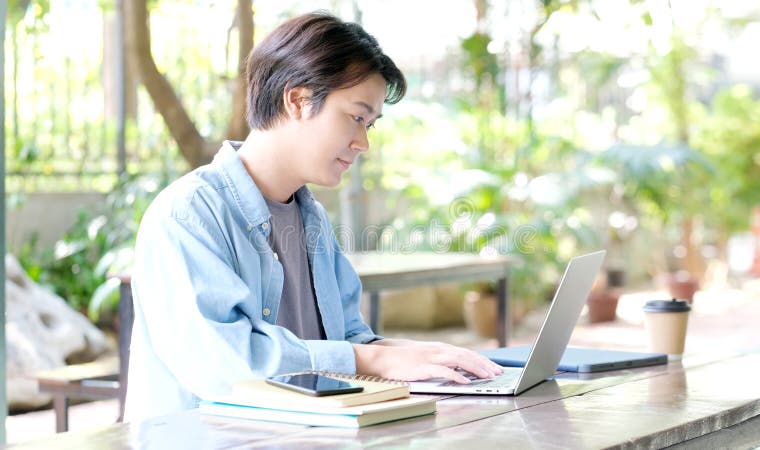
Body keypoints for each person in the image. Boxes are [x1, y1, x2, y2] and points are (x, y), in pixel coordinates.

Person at [125, 11, 502, 422]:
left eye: (371, 125)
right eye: (357, 118)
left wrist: (426, 358)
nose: (363, 143)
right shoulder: (187, 215)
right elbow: (228, 366)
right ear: (298, 101)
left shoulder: (312, 219)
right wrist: (374, 361)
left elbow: (348, 340)